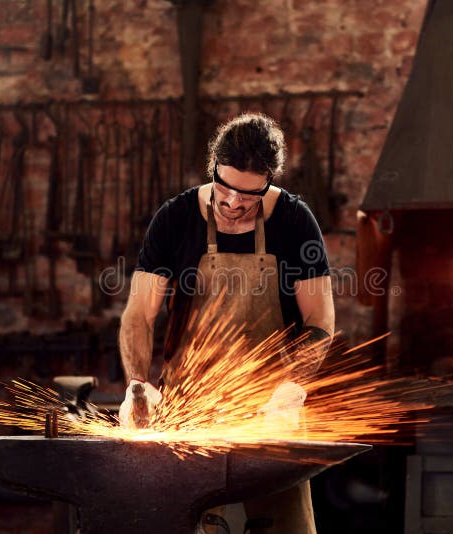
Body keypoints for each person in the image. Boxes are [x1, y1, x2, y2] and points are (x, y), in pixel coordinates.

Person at [118, 112, 334, 534]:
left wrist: (290, 392)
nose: (234, 203)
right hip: (188, 411)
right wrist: (137, 386)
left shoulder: (294, 221)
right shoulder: (175, 218)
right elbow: (139, 315)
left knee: (285, 527)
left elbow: (320, 319)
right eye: (225, 188)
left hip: (271, 411)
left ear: (269, 182)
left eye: (250, 196)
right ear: (212, 166)